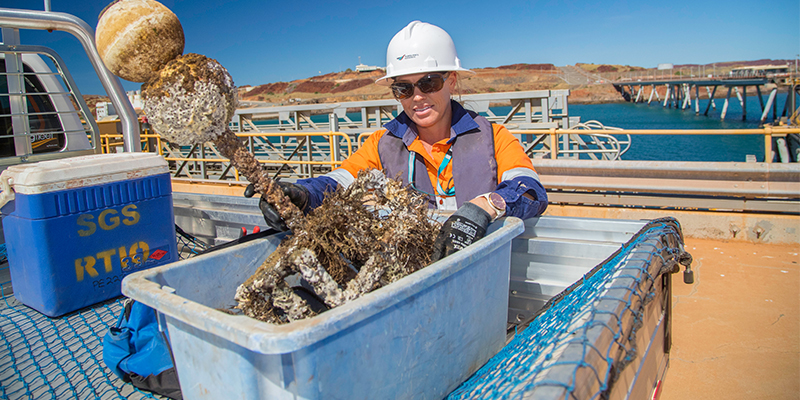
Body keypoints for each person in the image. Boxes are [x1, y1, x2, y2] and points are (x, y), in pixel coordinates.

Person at [245, 21, 547, 260]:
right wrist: (300, 195)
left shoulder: (493, 138)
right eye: (403, 88)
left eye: (429, 83)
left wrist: (485, 207)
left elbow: (530, 191)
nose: (417, 97)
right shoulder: (382, 144)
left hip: (480, 270)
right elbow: (337, 182)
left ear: (451, 81)